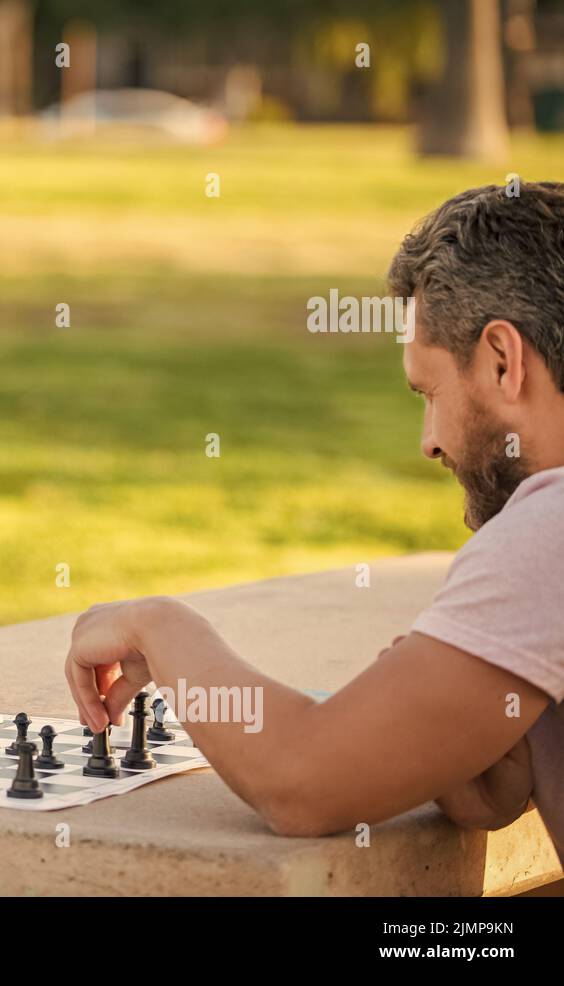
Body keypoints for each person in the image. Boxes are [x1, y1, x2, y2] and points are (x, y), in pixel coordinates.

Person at [64, 183, 564, 858]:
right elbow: (488, 786)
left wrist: (155, 626)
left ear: (503, 361)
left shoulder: (548, 527)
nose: (429, 443)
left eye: (430, 393)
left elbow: (301, 782)